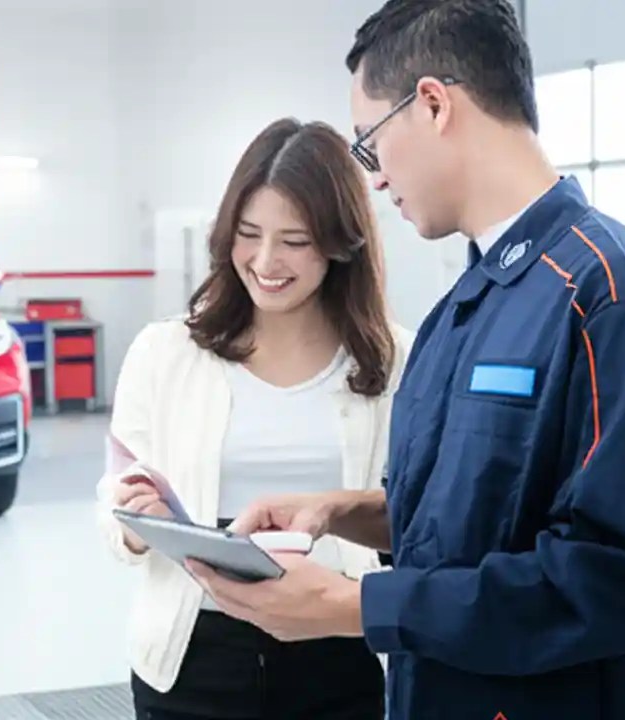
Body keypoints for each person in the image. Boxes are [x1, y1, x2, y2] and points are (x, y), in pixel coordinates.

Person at [186, 2, 625, 719]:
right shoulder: (468, 305)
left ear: (433, 104)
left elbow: (619, 584)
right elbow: (471, 519)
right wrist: (338, 511)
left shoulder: (615, 298)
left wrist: (357, 605)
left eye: (370, 142)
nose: (373, 178)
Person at [96, 117, 413, 720]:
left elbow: (419, 512)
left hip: (342, 648)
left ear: (340, 243)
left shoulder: (399, 360)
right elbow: (115, 492)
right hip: (192, 657)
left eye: (295, 241)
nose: (266, 261)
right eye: (248, 234)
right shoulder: (164, 352)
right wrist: (137, 524)